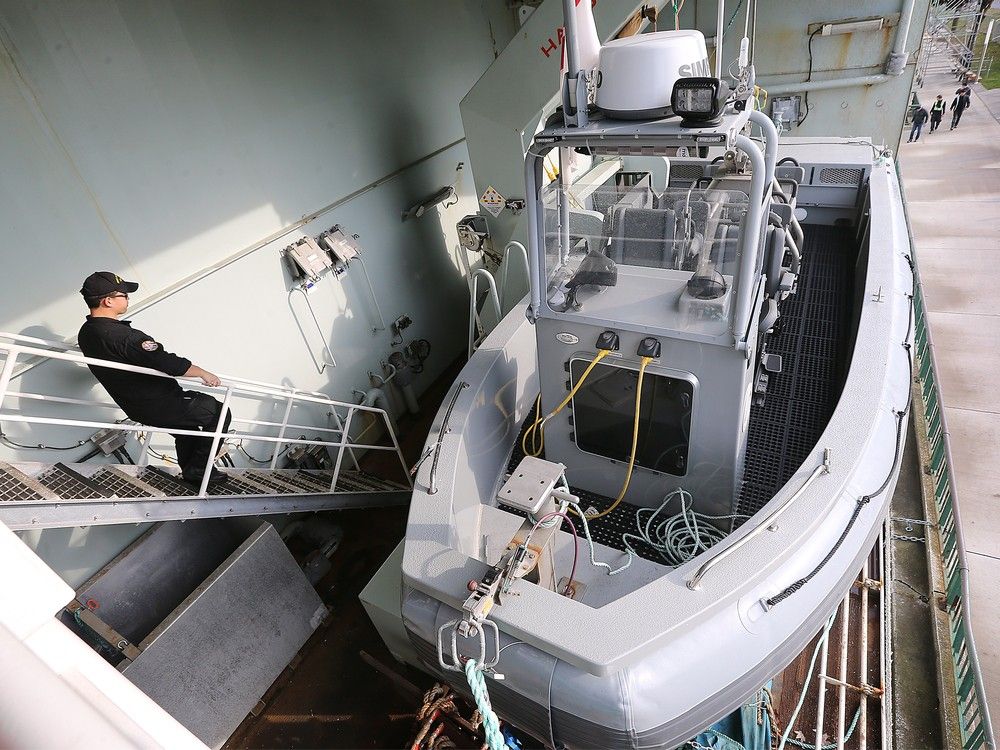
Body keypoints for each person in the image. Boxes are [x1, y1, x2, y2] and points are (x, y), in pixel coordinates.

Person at [77, 271, 231, 486]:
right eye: (124, 295)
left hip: (136, 407)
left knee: (187, 431)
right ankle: (199, 469)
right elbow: (168, 363)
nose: (128, 299)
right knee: (220, 412)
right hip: (160, 403)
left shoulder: (86, 332)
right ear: (108, 300)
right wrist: (204, 373)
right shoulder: (124, 336)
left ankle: (195, 473)